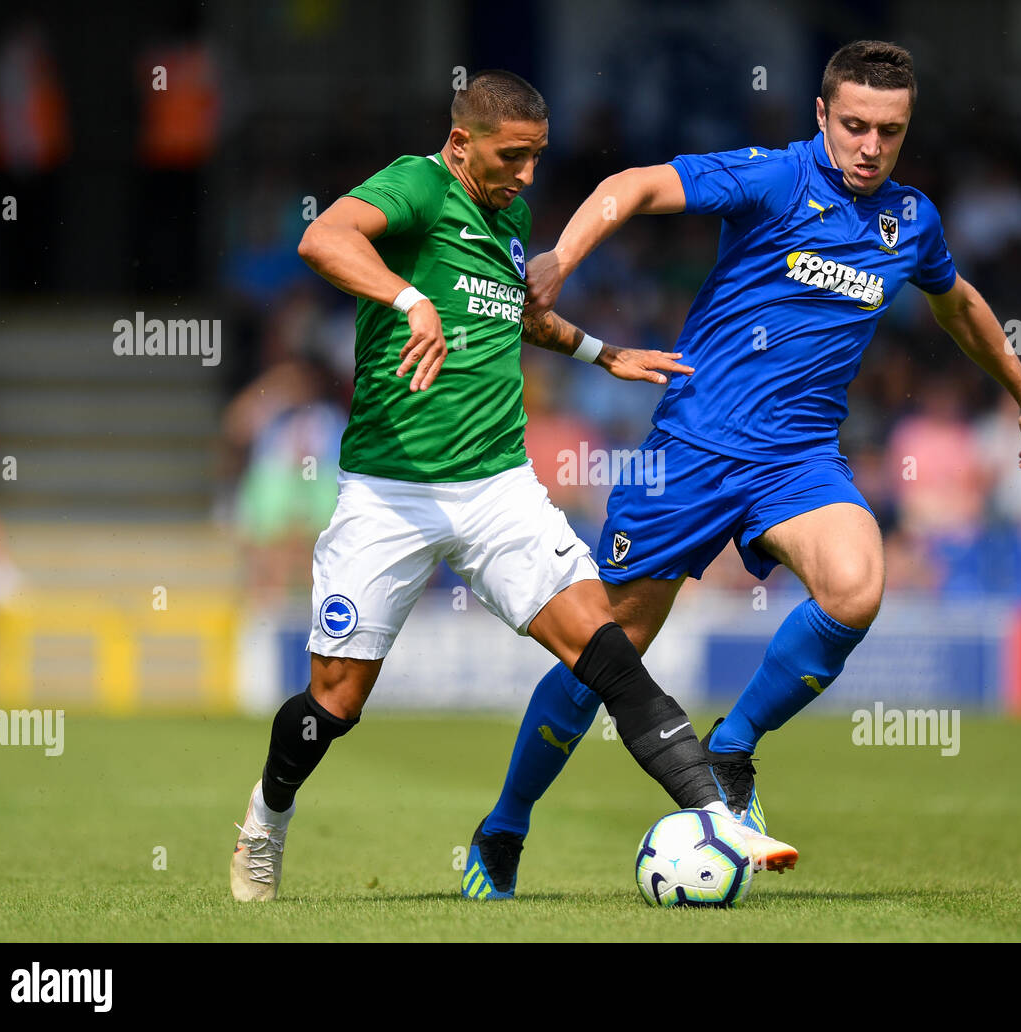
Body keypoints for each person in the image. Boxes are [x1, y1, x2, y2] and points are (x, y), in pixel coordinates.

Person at [466, 41, 1021, 895]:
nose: (869, 146)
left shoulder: (911, 222)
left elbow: (955, 300)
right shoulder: (773, 178)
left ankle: (732, 747)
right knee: (606, 650)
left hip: (799, 462)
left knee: (855, 587)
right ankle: (504, 829)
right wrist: (562, 256)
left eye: (888, 131)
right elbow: (632, 185)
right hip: (692, 454)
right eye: (853, 125)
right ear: (821, 116)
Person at [229, 70, 797, 903]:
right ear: (463, 144)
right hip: (390, 492)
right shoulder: (417, 186)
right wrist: (408, 296)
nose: (529, 176)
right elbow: (325, 238)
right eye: (513, 156)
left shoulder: (510, 216)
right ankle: (265, 821)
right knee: (335, 703)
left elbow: (516, 312)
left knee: (607, 652)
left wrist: (604, 354)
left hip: (498, 488)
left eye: (537, 157)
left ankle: (719, 817)